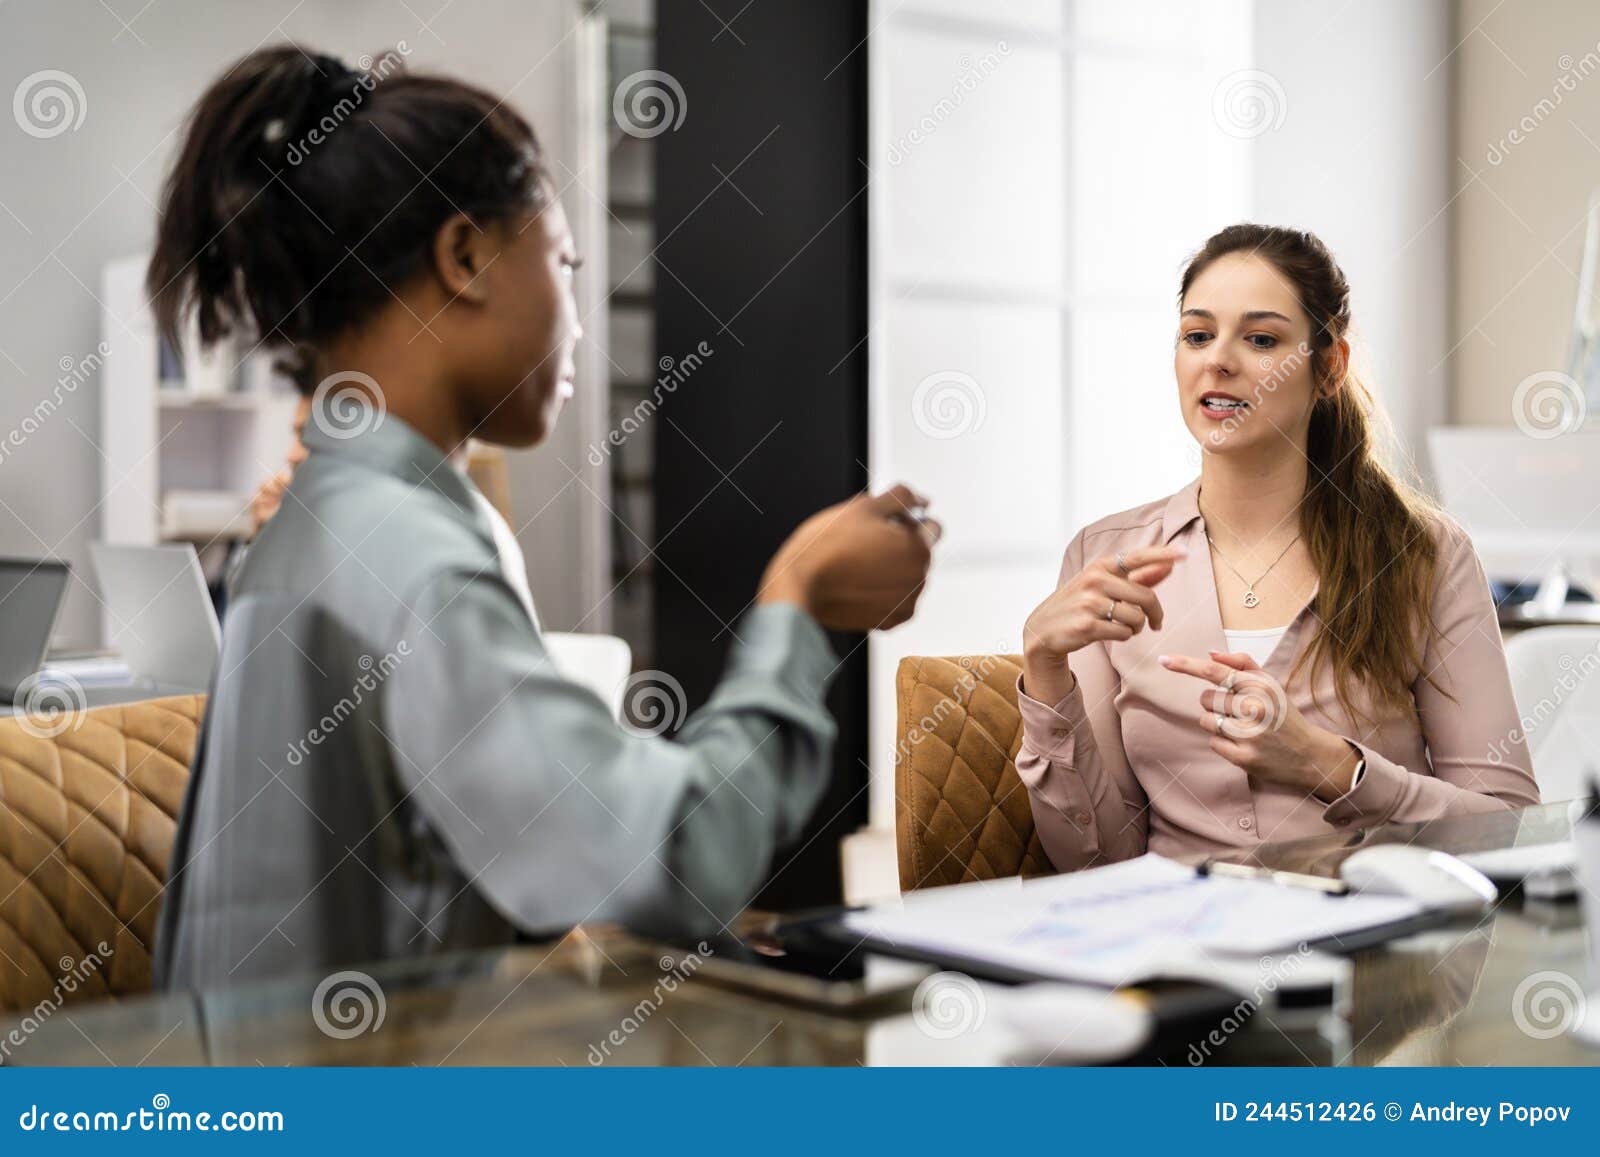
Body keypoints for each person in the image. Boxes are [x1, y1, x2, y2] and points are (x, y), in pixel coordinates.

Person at [148, 46, 937, 989]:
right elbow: (665, 862)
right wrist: (799, 605)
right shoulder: (411, 554)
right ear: (468, 256)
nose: (576, 315)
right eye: (563, 260)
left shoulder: (317, 520)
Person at [1017, 224, 1538, 872]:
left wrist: (1327, 762)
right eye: (1197, 334)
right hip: (1180, 953)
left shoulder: (1426, 554)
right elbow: (1096, 858)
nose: (1219, 360)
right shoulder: (1105, 558)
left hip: (1373, 957)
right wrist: (1043, 667)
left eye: (1261, 338)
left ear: (1329, 367)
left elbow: (1508, 824)